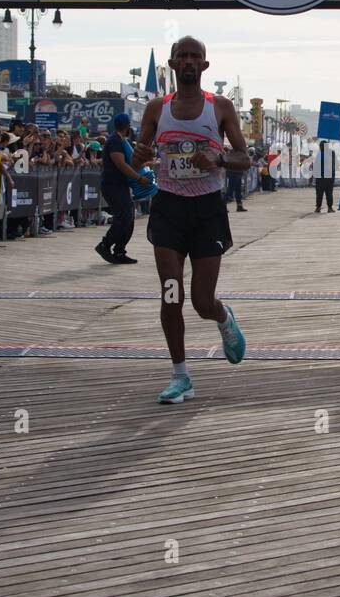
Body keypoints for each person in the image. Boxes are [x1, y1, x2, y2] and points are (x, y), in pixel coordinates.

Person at [130, 36, 249, 405]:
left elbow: (245, 159)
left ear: (205, 66)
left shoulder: (221, 108)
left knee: (200, 300)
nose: (189, 62)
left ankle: (223, 318)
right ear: (172, 63)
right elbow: (138, 160)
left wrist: (218, 160)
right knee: (171, 293)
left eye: (195, 57)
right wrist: (140, 155)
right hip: (168, 209)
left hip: (206, 210)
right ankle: (180, 376)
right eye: (182, 56)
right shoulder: (156, 109)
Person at [96, 111, 148, 264]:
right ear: (127, 126)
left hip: (120, 185)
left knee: (127, 218)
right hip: (113, 185)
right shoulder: (114, 141)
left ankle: (119, 251)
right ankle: (106, 245)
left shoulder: (120, 140)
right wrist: (138, 177)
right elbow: (120, 164)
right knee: (123, 218)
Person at [313, 140, 336, 212]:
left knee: (319, 193)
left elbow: (316, 166)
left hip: (320, 178)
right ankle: (330, 208)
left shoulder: (319, 155)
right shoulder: (331, 154)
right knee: (329, 193)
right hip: (329, 177)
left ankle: (318, 207)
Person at [224, 145, 248, 212]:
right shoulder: (232, 154)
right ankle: (223, 205)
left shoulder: (238, 153)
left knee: (238, 190)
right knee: (230, 191)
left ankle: (239, 206)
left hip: (238, 173)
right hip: (233, 173)